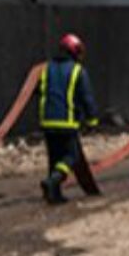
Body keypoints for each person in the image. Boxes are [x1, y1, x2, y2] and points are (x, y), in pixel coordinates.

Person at [39, 33, 100, 205]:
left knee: (53, 157)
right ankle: (53, 181)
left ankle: (53, 194)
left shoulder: (46, 69)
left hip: (47, 122)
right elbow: (87, 98)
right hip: (67, 122)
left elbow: (39, 91)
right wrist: (92, 121)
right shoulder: (77, 71)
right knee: (70, 156)